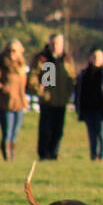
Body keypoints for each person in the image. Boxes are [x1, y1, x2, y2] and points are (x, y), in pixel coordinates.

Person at [30, 33, 75, 161]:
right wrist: (41, 92)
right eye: (53, 43)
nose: (55, 46)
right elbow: (33, 77)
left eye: (58, 44)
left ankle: (54, 153)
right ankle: (44, 154)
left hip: (61, 101)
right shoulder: (43, 59)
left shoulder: (66, 59)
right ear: (49, 44)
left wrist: (68, 93)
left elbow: (71, 77)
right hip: (47, 101)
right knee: (45, 129)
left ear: (62, 45)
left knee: (58, 130)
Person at [76, 49, 103, 161]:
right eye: (94, 56)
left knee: (102, 133)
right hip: (89, 109)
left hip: (102, 110)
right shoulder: (84, 74)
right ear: (90, 58)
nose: (96, 59)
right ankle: (93, 156)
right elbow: (79, 92)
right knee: (92, 134)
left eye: (99, 57)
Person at [1, 39, 29, 161]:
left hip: (20, 102)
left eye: (14, 51)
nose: (12, 53)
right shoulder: (2, 64)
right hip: (6, 102)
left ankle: (12, 155)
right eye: (9, 50)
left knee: (15, 131)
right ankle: (6, 155)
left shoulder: (22, 66)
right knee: (7, 131)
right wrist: (4, 89)